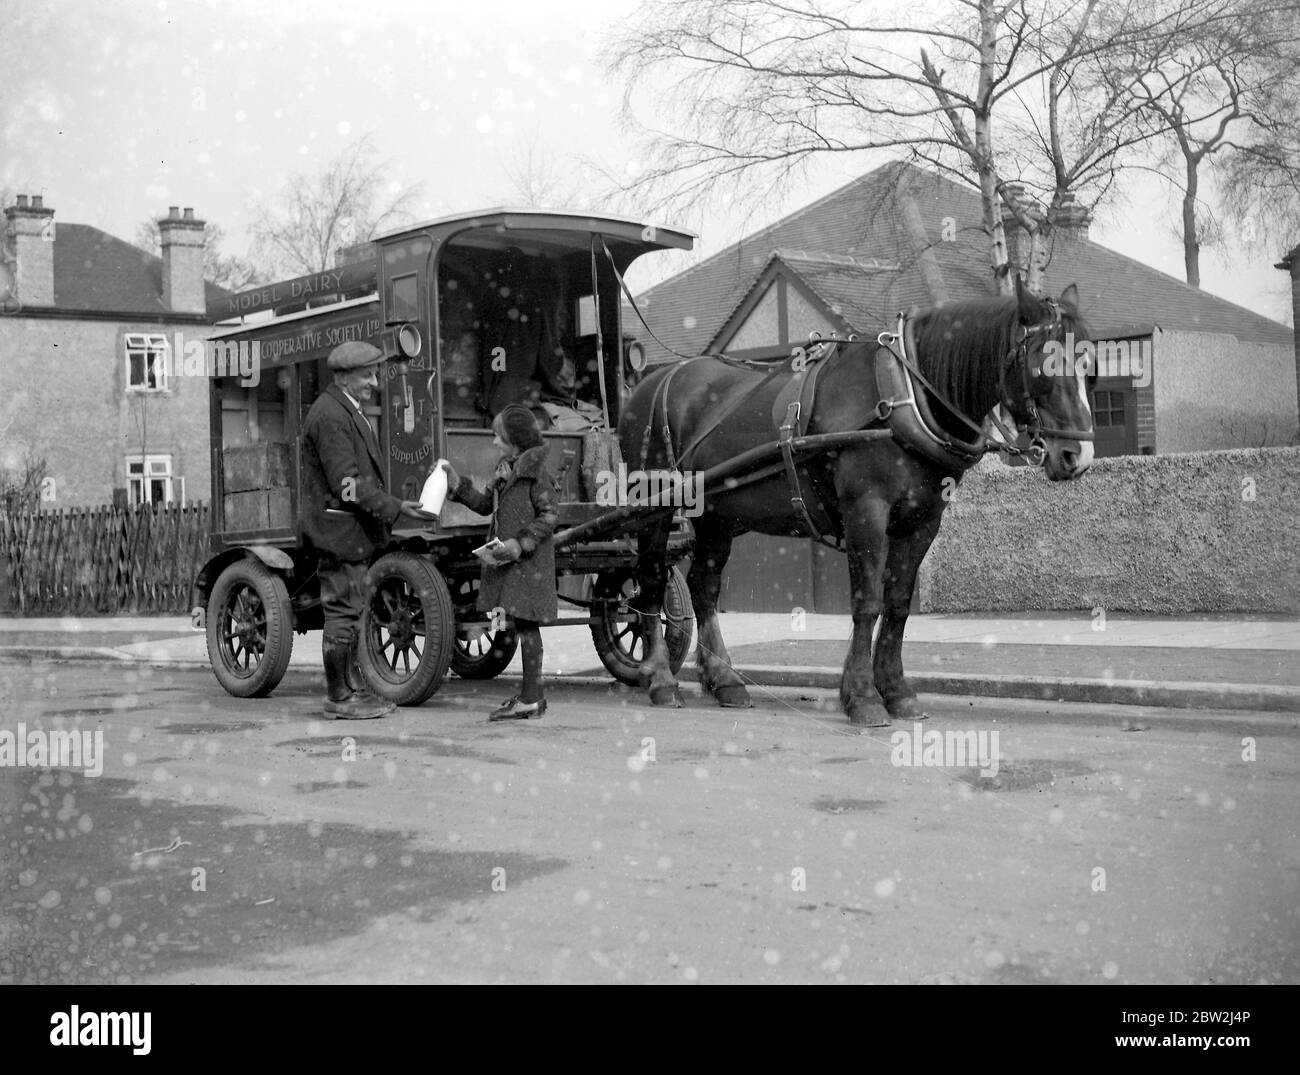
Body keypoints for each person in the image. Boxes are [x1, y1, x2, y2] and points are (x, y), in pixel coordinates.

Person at [301, 341, 429, 719]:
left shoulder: (342, 409)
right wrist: (394, 507)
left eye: (375, 373)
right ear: (342, 376)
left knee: (352, 609)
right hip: (339, 532)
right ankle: (339, 697)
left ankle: (351, 689)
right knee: (342, 610)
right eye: (366, 375)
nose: (374, 382)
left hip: (347, 530)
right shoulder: (331, 415)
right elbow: (347, 484)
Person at [441, 405, 558, 721]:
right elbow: (482, 505)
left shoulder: (534, 473)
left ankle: (531, 699)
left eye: (499, 437)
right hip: (515, 566)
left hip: (528, 565)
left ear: (516, 442)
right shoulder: (508, 470)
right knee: (523, 625)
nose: (494, 442)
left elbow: (549, 516)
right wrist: (456, 483)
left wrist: (520, 544)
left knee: (528, 626)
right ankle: (531, 696)